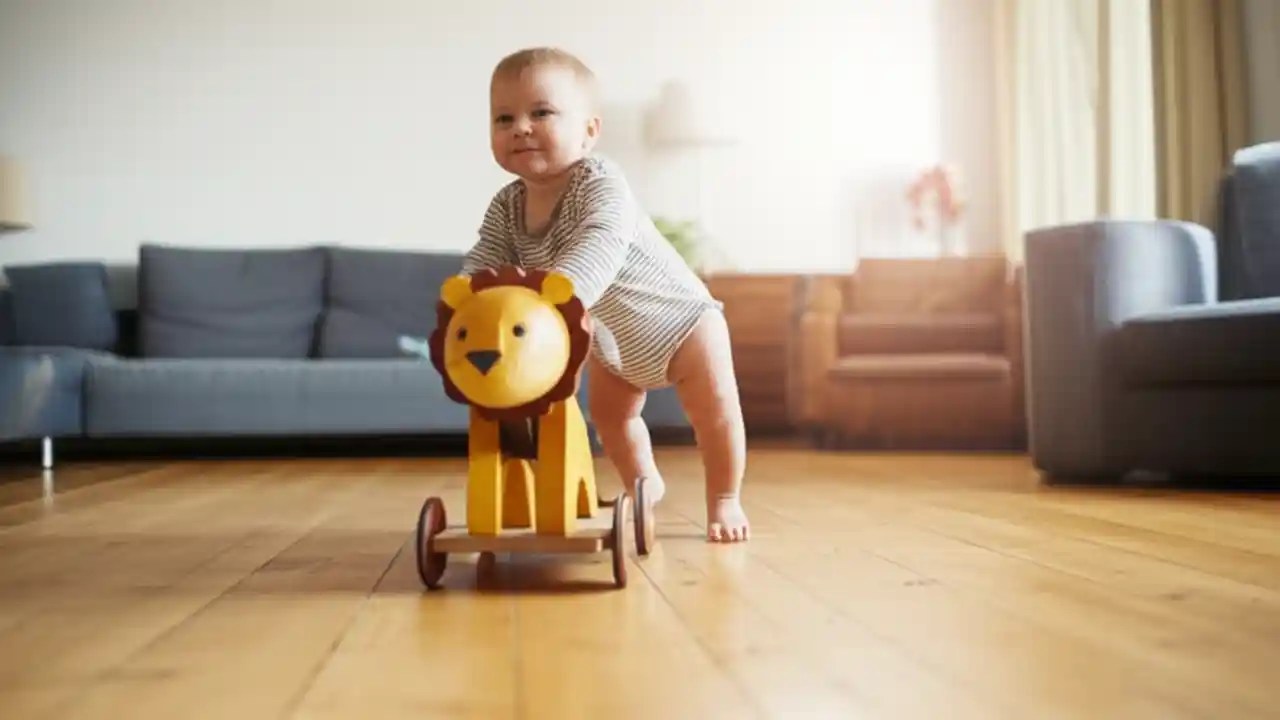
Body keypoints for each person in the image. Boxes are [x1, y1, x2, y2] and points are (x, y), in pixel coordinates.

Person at [459, 47, 750, 543]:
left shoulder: (601, 184)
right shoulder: (507, 206)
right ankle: (643, 484)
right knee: (613, 421)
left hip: (682, 326)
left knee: (716, 415)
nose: (521, 127)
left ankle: (724, 499)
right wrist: (465, 300)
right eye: (503, 117)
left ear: (590, 132)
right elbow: (485, 259)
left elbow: (601, 245)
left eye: (541, 112)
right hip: (615, 347)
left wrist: (554, 301)